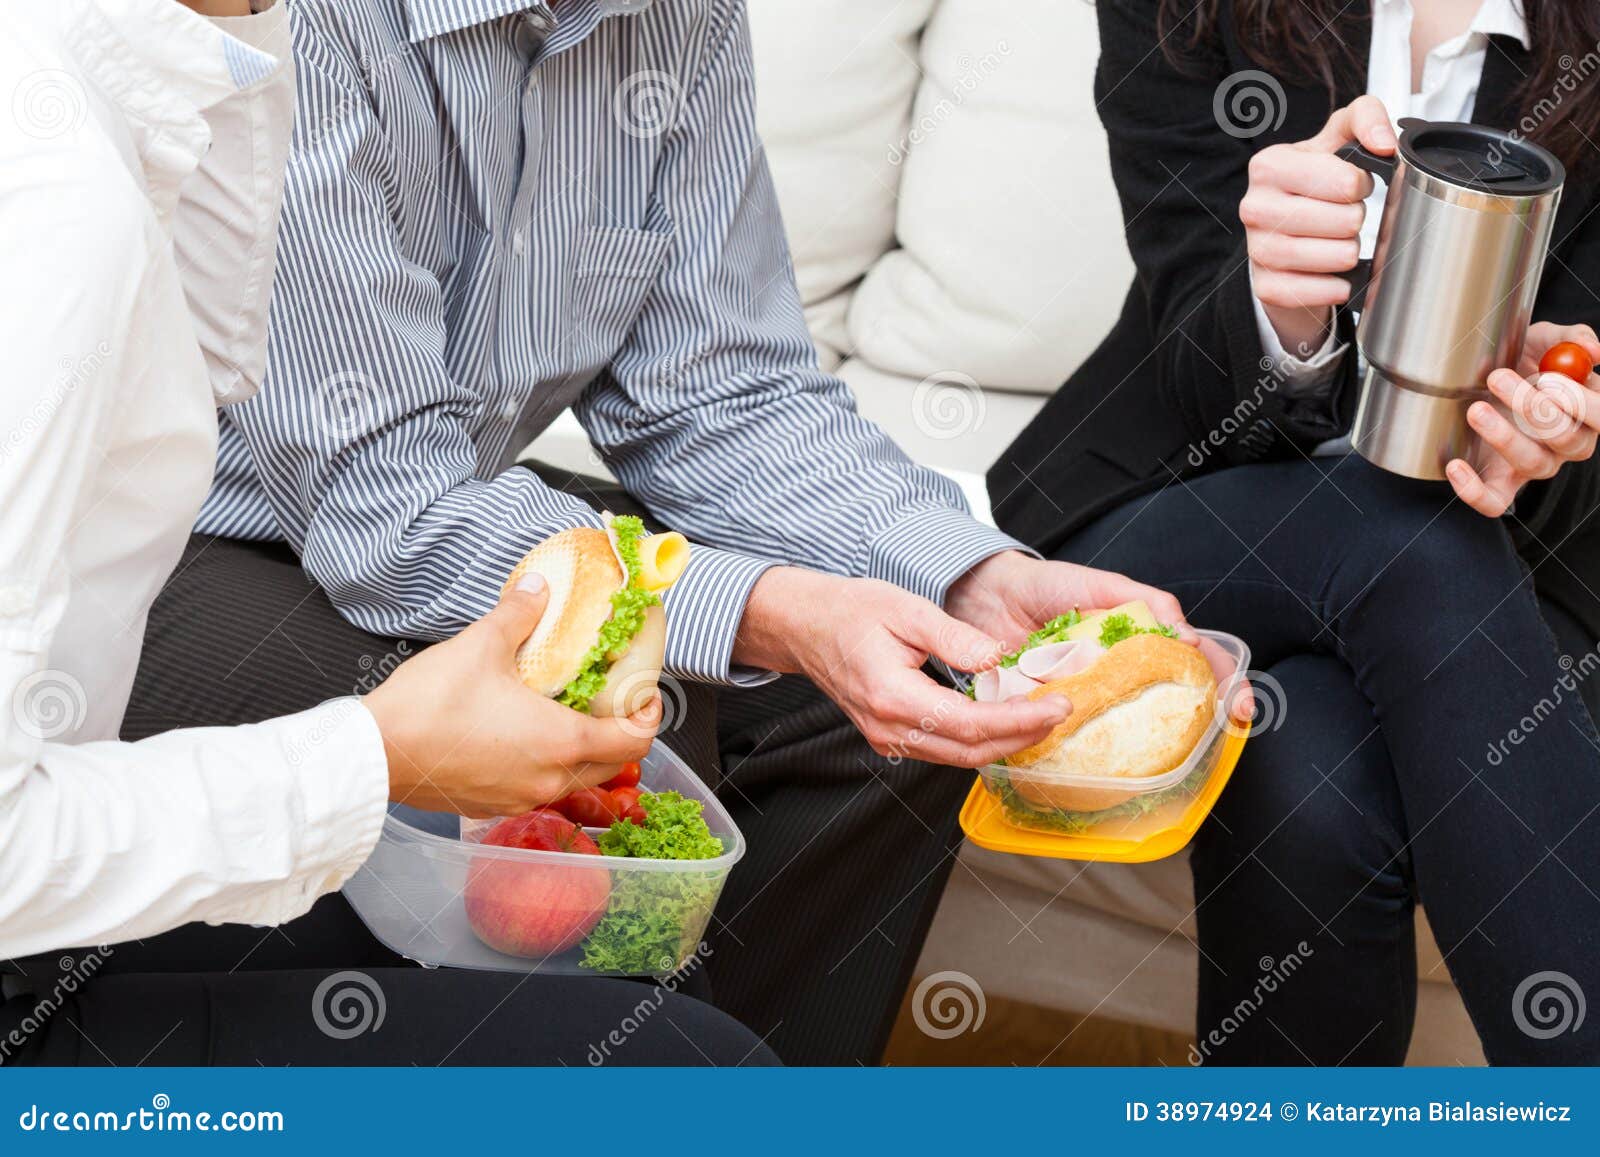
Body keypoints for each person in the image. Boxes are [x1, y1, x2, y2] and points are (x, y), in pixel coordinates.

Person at [113, 0, 1218, 1065]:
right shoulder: (292, 18)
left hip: (440, 492)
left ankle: (721, 1087)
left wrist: (964, 578)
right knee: (621, 729)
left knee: (913, 705)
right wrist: (774, 614)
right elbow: (388, 510)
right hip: (170, 552)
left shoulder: (675, 14)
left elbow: (723, 390)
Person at [0, 0, 773, 1068]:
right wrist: (378, 753)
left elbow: (728, 378)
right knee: (690, 1070)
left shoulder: (166, 84)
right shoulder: (57, 206)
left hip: (43, 885)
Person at [990, 0, 1600, 1064]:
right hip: (1180, 509)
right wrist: (1282, 314)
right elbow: (1185, 311)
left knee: (1311, 767)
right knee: (1407, 536)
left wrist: (1554, 418)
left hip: (1495, 573)